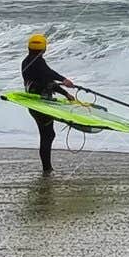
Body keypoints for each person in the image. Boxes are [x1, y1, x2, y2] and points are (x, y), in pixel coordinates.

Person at [20, 33, 76, 173]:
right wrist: (64, 80)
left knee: (47, 134)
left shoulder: (25, 62)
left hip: (34, 104)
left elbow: (45, 80)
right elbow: (48, 74)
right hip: (42, 104)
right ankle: (47, 169)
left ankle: (47, 168)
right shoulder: (38, 62)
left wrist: (65, 93)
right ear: (44, 48)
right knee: (48, 135)